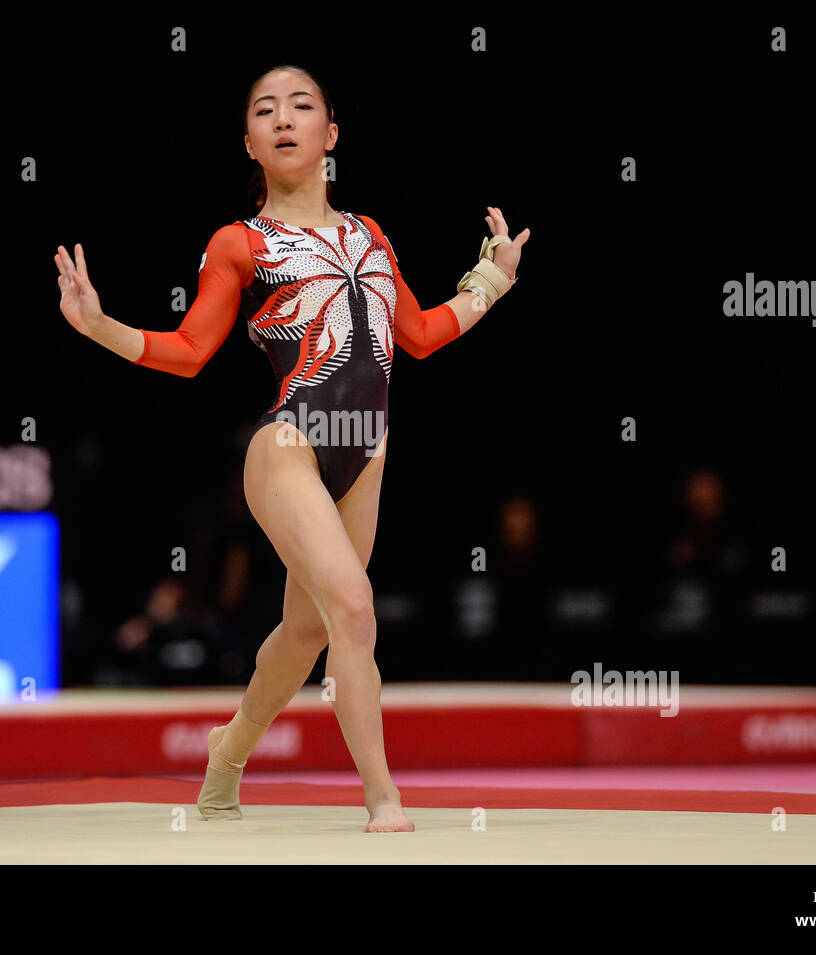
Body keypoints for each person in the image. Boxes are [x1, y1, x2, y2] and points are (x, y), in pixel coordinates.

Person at [54, 64, 529, 832]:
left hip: (366, 453)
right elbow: (188, 349)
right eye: (265, 110)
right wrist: (100, 326)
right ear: (249, 143)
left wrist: (492, 280)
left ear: (330, 134)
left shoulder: (370, 234)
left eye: (301, 106)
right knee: (355, 606)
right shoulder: (240, 242)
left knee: (307, 632)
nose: (284, 118)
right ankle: (384, 798)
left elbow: (420, 335)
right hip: (289, 446)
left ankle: (228, 748)